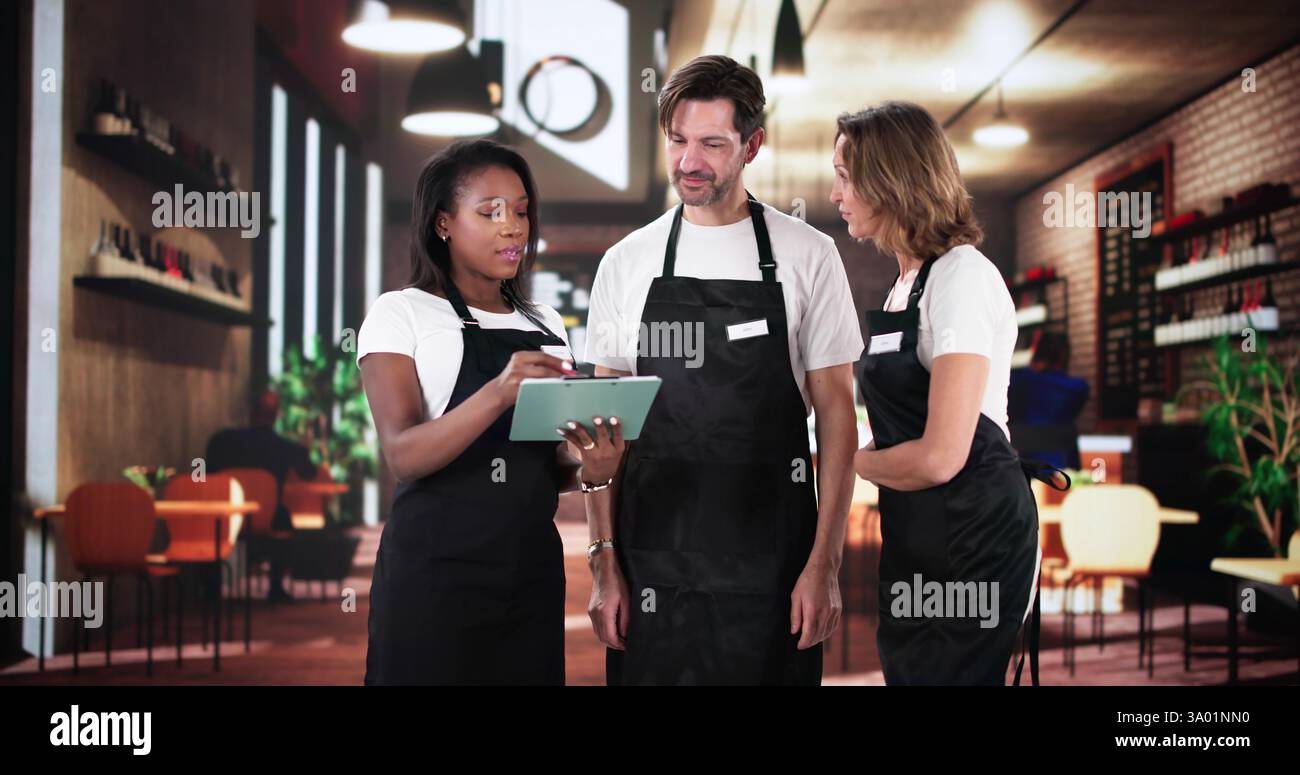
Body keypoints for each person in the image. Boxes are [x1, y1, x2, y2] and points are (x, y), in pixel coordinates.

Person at [581, 55, 863, 685]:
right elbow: (605, 434)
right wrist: (604, 566)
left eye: (712, 143)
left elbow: (839, 423)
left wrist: (825, 565)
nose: (689, 161)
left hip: (773, 564)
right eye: (678, 140)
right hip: (651, 560)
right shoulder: (626, 263)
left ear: (752, 145)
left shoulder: (809, 254)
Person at [358, 139, 618, 685]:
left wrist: (591, 470)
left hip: (530, 576)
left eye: (521, 211)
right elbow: (404, 455)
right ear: (444, 224)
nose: (513, 227)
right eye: (490, 212)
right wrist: (498, 392)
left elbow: (548, 466)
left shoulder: (546, 323)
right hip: (432, 580)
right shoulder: (400, 313)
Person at [833, 100, 1062, 685]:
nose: (835, 195)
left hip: (976, 533)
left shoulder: (961, 277)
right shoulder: (904, 285)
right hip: (919, 527)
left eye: (844, 177)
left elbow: (940, 456)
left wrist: (848, 460)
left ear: (889, 179)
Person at [205, 389, 317, 602]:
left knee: (212, 520)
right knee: (284, 519)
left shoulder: (223, 441)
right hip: (269, 517)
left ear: (252, 413)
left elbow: (209, 475)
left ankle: (211, 589)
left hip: (230, 519)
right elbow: (308, 473)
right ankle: (276, 588)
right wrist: (305, 449)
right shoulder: (286, 448)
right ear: (276, 416)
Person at [1008, 333, 1089, 470]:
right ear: (1064, 356)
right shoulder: (1077, 389)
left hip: (1023, 467)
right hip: (1064, 468)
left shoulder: (1018, 380)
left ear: (1037, 353)